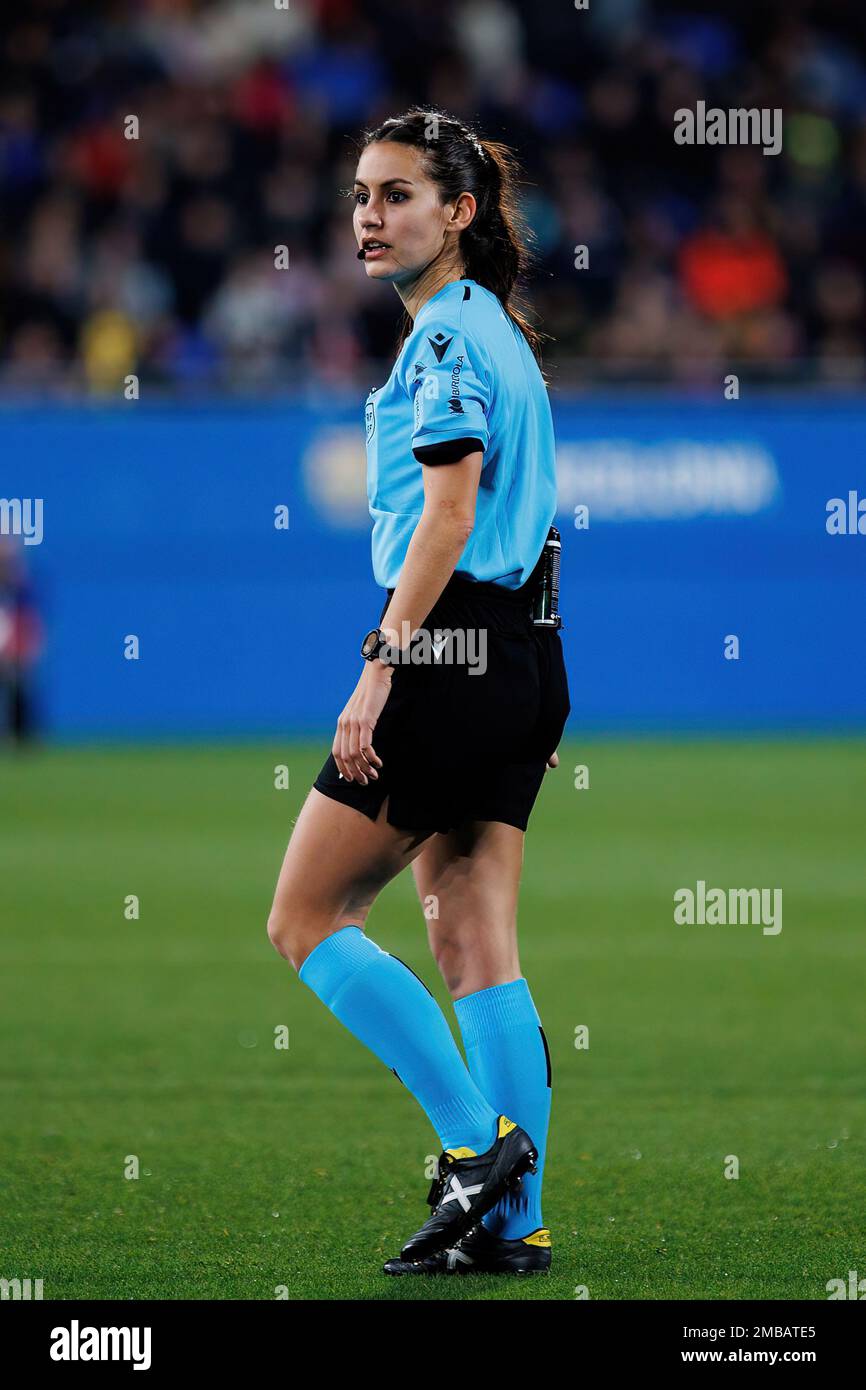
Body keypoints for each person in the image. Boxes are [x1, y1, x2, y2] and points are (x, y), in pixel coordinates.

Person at [266, 107, 571, 1277]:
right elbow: (520, 516)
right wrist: (522, 682)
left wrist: (381, 664)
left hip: (446, 649)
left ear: (458, 212)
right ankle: (511, 1221)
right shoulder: (493, 328)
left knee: (304, 917)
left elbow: (448, 514)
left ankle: (472, 1146)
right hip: (523, 651)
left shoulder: (442, 339)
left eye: (396, 195)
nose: (367, 217)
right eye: (359, 195)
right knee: (473, 936)